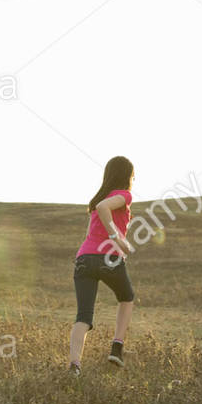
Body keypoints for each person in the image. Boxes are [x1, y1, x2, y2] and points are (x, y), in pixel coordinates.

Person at [69, 156, 136, 374]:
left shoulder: (99, 196)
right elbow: (103, 207)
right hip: (108, 258)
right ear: (127, 175)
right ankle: (116, 348)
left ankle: (74, 366)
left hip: (84, 259)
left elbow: (99, 208)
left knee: (84, 316)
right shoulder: (123, 195)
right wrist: (116, 236)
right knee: (127, 298)